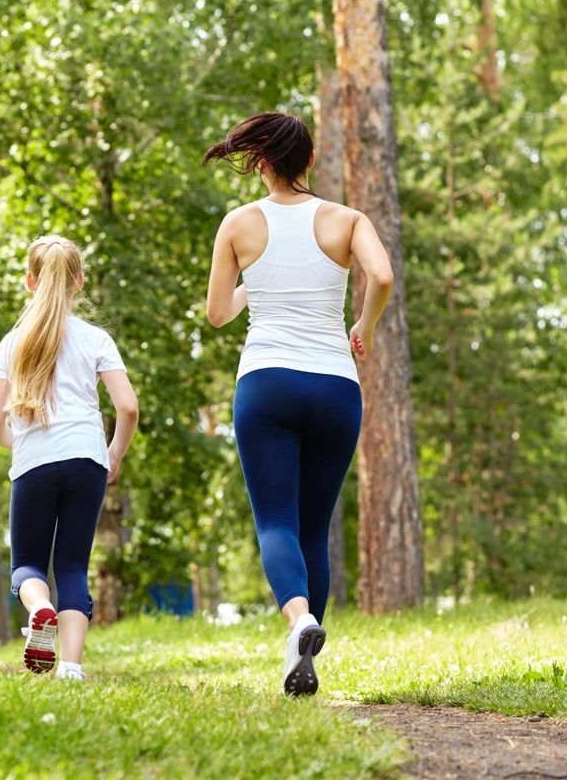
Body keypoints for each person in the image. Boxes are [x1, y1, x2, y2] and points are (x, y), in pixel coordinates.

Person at [202, 111, 394, 696]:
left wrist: (256, 282)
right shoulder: (346, 219)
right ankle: (305, 646)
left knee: (276, 521)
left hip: (267, 382)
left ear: (260, 163)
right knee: (314, 524)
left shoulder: (239, 225)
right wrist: (363, 323)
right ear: (309, 161)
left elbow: (217, 314)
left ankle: (299, 622)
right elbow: (381, 275)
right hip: (336, 386)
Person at [0, 235, 139, 680]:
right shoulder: (96, 338)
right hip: (88, 459)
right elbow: (127, 407)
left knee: (28, 564)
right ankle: (70, 667)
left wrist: (25, 445)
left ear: (30, 281)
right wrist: (114, 454)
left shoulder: (12, 344)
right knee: (72, 564)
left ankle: (40, 607)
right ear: (80, 282)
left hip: (34, 462)